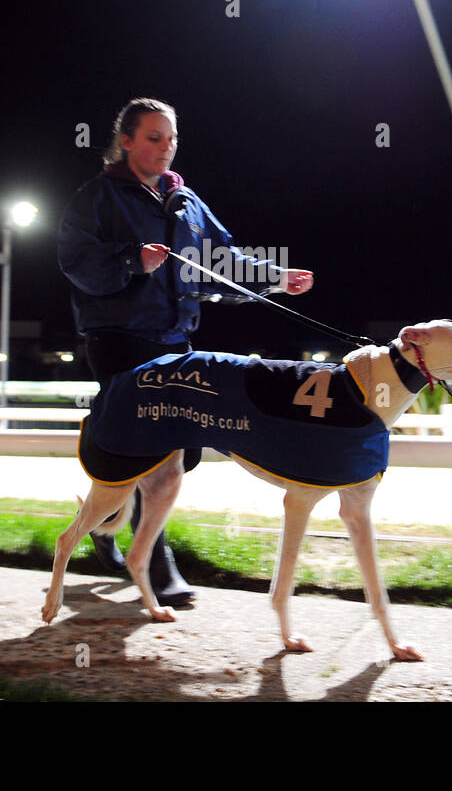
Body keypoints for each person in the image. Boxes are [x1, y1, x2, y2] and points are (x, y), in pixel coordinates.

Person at [57, 97, 314, 606]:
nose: (165, 147)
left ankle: (108, 527)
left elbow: (222, 260)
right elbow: (75, 260)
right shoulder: (96, 198)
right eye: (153, 137)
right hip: (118, 340)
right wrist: (133, 258)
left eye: (171, 138)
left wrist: (276, 279)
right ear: (126, 140)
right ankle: (155, 563)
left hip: (175, 340)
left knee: (167, 449)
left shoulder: (187, 202)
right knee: (156, 453)